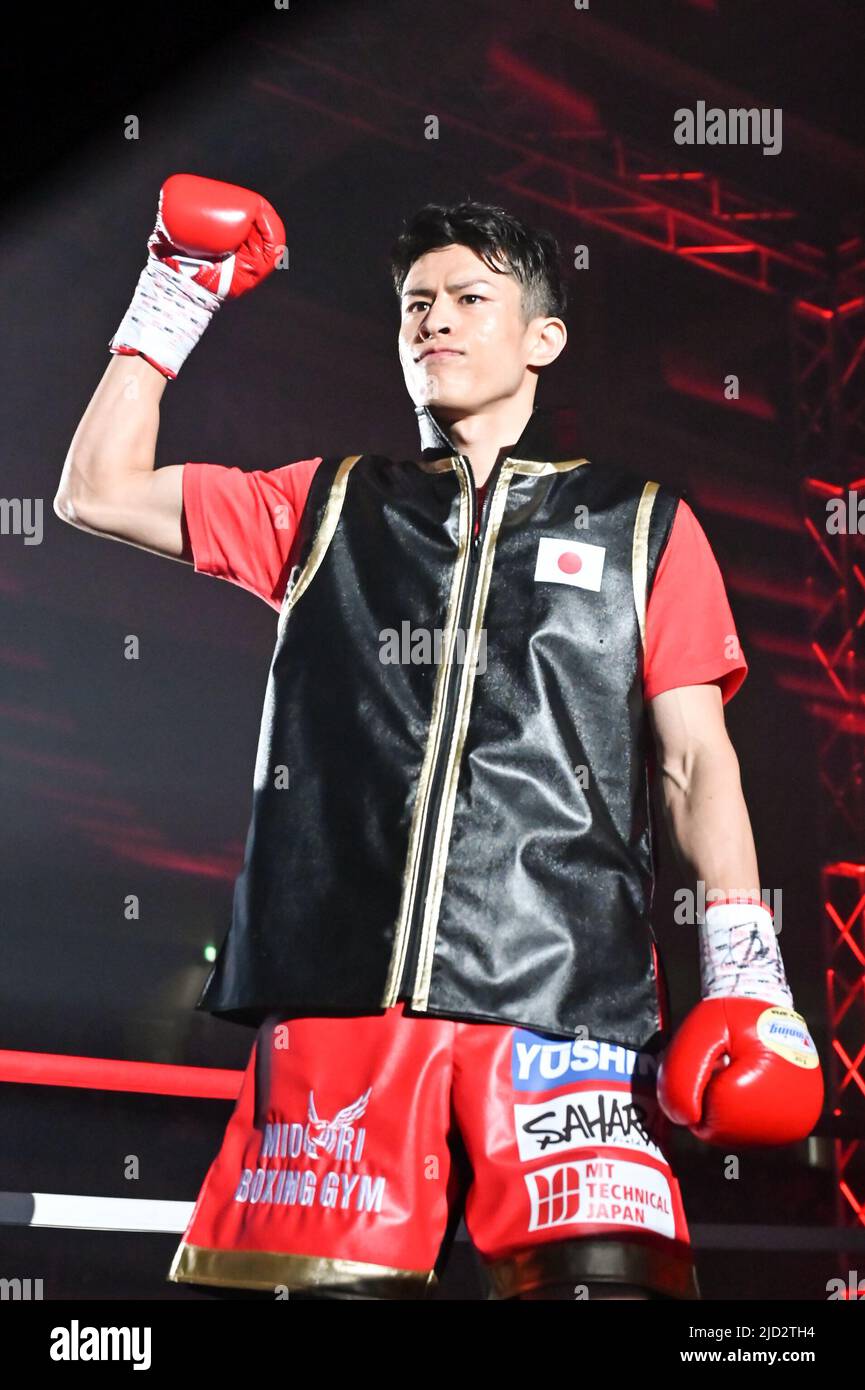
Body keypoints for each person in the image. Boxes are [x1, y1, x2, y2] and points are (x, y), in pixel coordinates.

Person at [55, 175, 824, 1301]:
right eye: (417, 303)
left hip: (565, 1006)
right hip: (337, 1007)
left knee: (603, 1294)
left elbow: (694, 761)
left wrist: (749, 978)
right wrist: (175, 293)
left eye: (470, 298)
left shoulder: (642, 523)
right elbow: (96, 490)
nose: (436, 319)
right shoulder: (320, 503)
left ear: (542, 337)